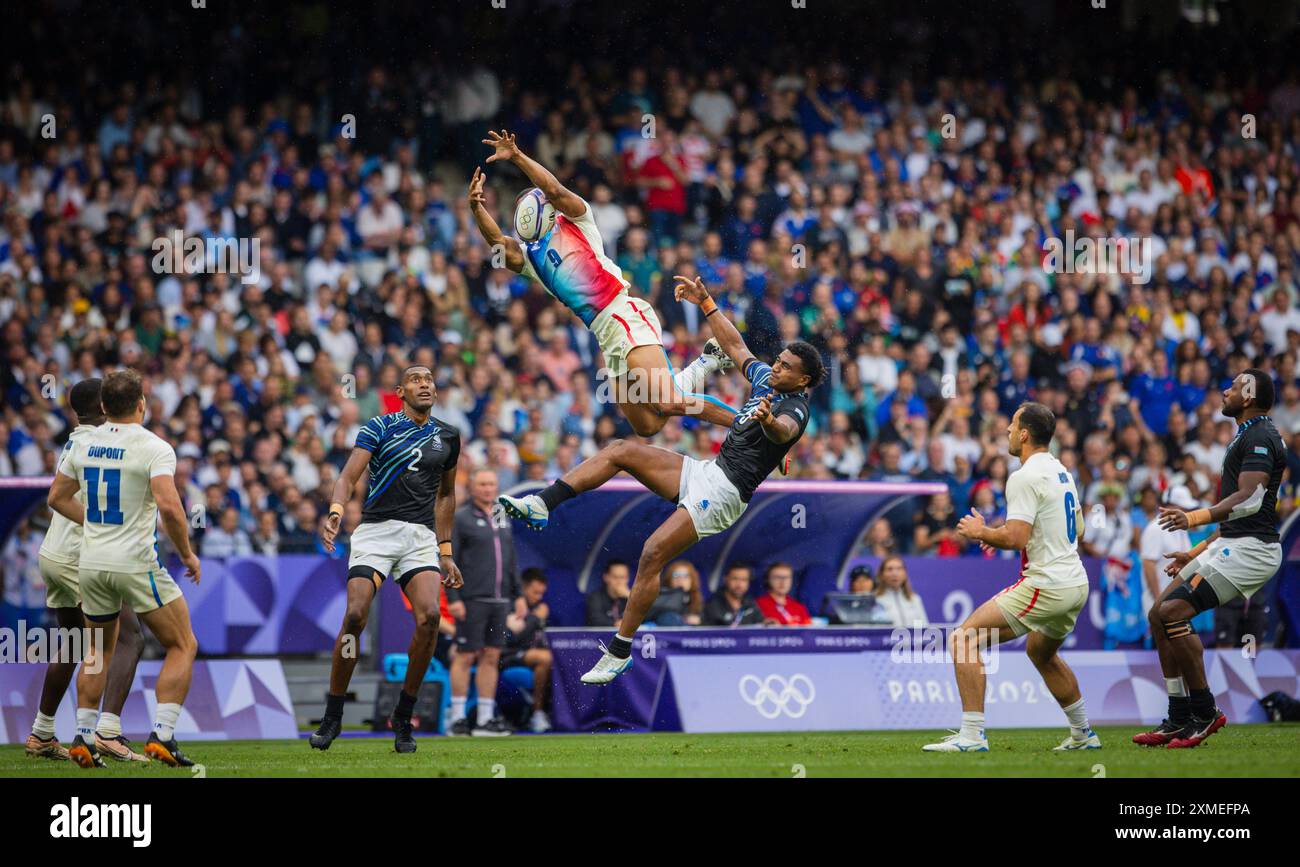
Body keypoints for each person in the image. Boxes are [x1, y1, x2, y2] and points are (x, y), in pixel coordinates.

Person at [501, 275, 822, 684]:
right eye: (777, 361)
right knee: (620, 450)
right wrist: (706, 302)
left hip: (724, 494)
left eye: (786, 367)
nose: (776, 367)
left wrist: (770, 422)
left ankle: (620, 649)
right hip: (707, 471)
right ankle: (543, 503)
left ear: (804, 381)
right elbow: (736, 346)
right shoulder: (766, 381)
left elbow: (784, 432)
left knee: (653, 552)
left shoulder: (795, 407)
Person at [468, 129, 736, 437]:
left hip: (624, 314)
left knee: (668, 400)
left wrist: (516, 156)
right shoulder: (531, 260)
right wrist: (477, 208)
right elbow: (497, 243)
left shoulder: (578, 219)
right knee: (649, 425)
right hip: (605, 335)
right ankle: (706, 361)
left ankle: (747, 424)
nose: (537, 200)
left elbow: (553, 189)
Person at [47, 369, 202, 768]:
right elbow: (169, 506)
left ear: (102, 407)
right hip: (134, 561)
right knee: (183, 643)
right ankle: (163, 735)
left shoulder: (84, 443)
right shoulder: (155, 447)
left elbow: (57, 497)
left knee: (97, 650)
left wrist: (96, 525)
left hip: (92, 562)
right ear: (141, 404)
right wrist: (186, 554)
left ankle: (83, 735)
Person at [927, 402, 1098, 753]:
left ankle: (972, 737)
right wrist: (1005, 534)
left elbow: (1016, 538)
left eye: (1011, 424)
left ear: (1024, 434)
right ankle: (1083, 734)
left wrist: (981, 531)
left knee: (964, 639)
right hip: (1076, 582)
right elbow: (1076, 528)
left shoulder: (1023, 475)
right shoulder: (1061, 471)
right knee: (1041, 652)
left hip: (1047, 583)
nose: (1006, 429)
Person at [310, 365, 464, 754]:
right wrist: (336, 510)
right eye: (415, 379)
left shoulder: (448, 436)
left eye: (429, 378)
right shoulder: (378, 428)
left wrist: (445, 552)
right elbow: (348, 475)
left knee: (430, 617)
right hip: (376, 532)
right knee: (356, 615)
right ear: (400, 391)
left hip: (418, 538)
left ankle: (403, 715)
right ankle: (333, 715)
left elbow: (446, 496)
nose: (425, 383)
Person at [1142, 370, 1286, 748]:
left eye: (1235, 386)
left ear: (1251, 395)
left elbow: (1251, 500)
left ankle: (1204, 713)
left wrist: (1193, 516)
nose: (1226, 390)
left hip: (1254, 550)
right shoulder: (1249, 433)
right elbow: (1241, 516)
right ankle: (1178, 716)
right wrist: (1194, 550)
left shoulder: (1260, 436)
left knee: (1174, 612)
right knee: (1159, 613)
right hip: (1235, 542)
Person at [27, 379, 148, 763]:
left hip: (53, 552)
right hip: (82, 555)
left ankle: (43, 732)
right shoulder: (108, 441)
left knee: (76, 643)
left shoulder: (76, 441)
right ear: (104, 403)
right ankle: (107, 730)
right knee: (128, 637)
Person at [447, 468, 519, 736]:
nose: (488, 489)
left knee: (491, 655)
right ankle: (457, 719)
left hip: (500, 599)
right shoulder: (461, 518)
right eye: (483, 484)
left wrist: (518, 594)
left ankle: (485, 719)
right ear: (474, 487)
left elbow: (510, 557)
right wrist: (453, 597)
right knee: (466, 655)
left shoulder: (501, 514)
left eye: (492, 484)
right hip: (471, 599)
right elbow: (449, 560)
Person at [500, 568, 553, 733]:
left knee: (553, 658)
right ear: (523, 587)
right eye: (535, 592)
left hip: (529, 656)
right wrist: (536, 618)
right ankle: (537, 713)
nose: (538, 597)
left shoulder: (538, 607)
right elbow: (514, 637)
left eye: (541, 593)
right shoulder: (511, 604)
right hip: (506, 655)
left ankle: (550, 712)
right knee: (544, 657)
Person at [873, 556, 928, 627]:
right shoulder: (875, 600)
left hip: (913, 637)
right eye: (889, 569)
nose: (894, 573)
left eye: (899, 569)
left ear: (905, 573)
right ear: (882, 574)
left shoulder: (914, 599)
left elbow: (923, 626)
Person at [644, 560, 703, 625]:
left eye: (685, 575)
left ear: (692, 580)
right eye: (676, 575)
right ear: (669, 579)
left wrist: (700, 621)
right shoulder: (658, 597)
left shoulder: (699, 601)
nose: (680, 579)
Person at [585, 561, 630, 627]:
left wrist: (631, 597)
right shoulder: (595, 597)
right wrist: (615, 624)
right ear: (606, 577)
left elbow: (646, 616)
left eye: (623, 577)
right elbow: (595, 620)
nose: (619, 582)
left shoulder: (629, 597)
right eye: (615, 577)